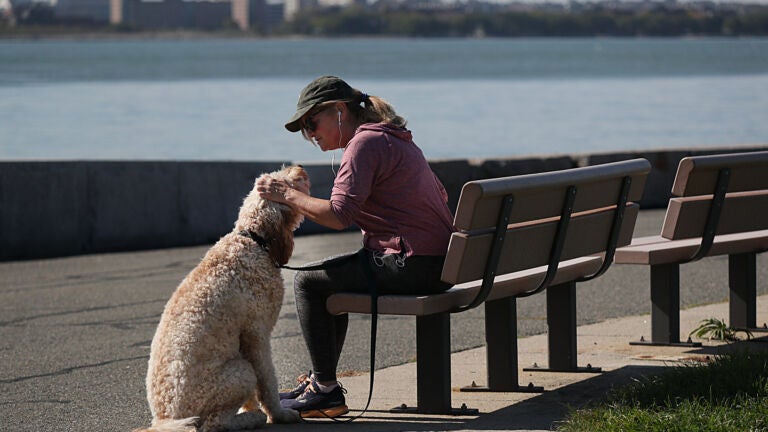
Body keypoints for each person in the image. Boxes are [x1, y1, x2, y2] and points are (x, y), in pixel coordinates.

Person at [257, 76, 455, 419]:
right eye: (304, 129)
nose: (310, 134)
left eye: (312, 123)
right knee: (333, 276)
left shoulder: (365, 143)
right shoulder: (396, 138)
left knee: (308, 282)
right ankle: (323, 384)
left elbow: (337, 215)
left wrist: (286, 194)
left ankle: (324, 390)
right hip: (442, 262)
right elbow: (442, 196)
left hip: (413, 264)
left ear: (339, 110)